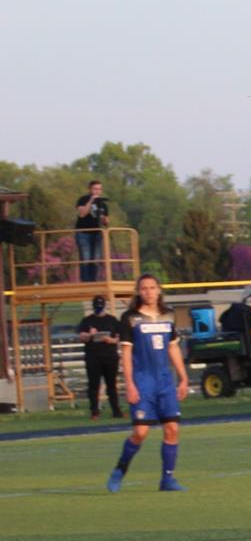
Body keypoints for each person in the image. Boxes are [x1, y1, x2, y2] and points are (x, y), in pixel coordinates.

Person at [107, 273, 190, 493]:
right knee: (141, 433)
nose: (148, 292)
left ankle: (167, 480)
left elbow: (173, 348)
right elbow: (125, 353)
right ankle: (120, 469)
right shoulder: (130, 318)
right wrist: (130, 384)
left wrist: (183, 377)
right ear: (138, 292)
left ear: (159, 290)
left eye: (152, 288)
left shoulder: (169, 316)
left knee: (172, 429)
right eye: (144, 288)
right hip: (143, 382)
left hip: (164, 382)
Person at [75, 294, 122, 420]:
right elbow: (81, 337)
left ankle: (116, 410)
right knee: (93, 385)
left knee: (111, 384)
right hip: (93, 357)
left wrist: (109, 339)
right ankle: (94, 411)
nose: (99, 309)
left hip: (110, 356)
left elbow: (118, 338)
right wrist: (90, 335)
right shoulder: (87, 321)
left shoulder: (112, 320)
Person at [74, 180, 109, 283]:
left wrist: (104, 219)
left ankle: (94, 281)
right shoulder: (83, 199)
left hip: (97, 233)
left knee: (96, 259)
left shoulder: (103, 204)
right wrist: (91, 201)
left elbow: (106, 221)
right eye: (95, 189)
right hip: (83, 233)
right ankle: (86, 282)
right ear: (90, 189)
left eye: (99, 189)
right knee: (85, 258)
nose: (97, 191)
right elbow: (82, 214)